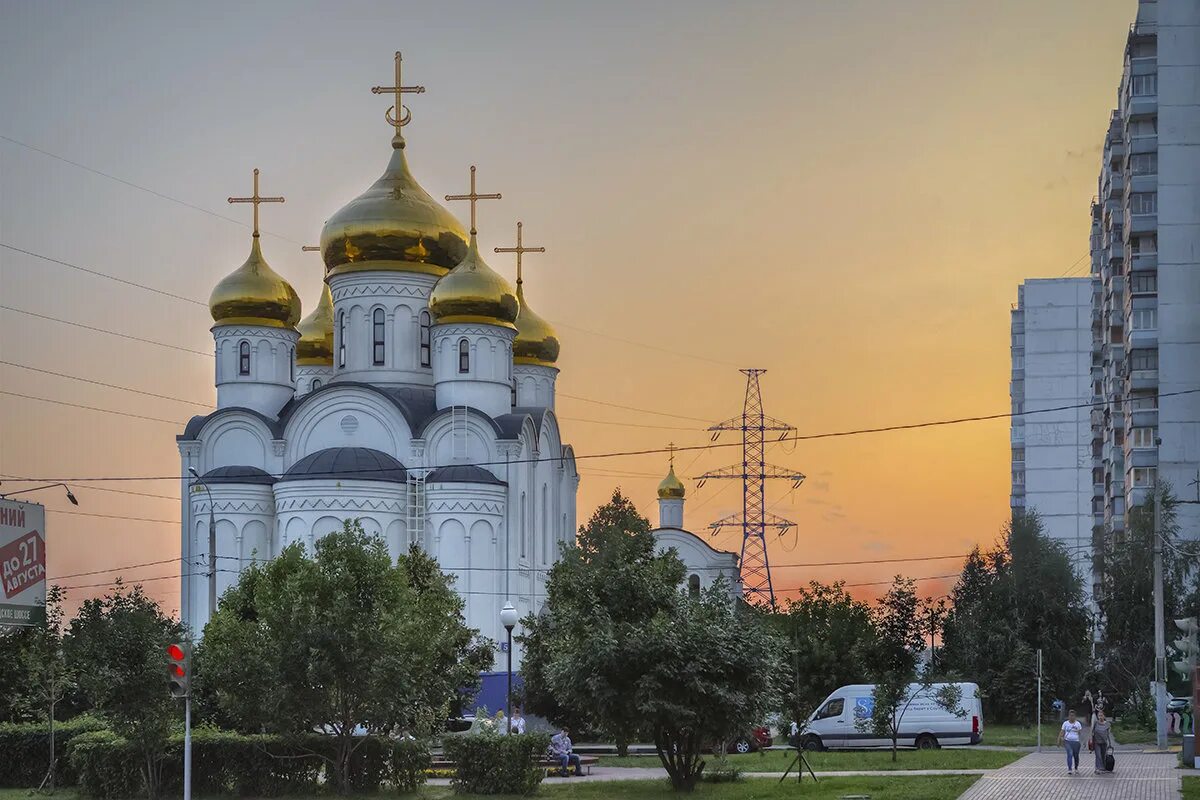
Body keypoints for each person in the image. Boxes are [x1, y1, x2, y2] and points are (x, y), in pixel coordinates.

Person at [1057, 709, 1083, 775]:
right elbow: (1062, 732)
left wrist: (1077, 730)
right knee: (1070, 754)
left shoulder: (1078, 724)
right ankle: (1069, 769)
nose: (1071, 717)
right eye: (1070, 715)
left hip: (1076, 742)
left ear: (1075, 716)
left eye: (1073, 715)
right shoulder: (1065, 723)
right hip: (1067, 741)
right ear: (1068, 716)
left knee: (1076, 755)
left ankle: (1076, 768)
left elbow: (1080, 733)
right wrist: (1059, 739)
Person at [1091, 709, 1114, 774]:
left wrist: (1109, 743)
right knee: (1098, 755)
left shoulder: (1107, 724)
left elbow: (1108, 734)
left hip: (1104, 742)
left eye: (1101, 715)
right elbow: (1092, 731)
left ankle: (1103, 768)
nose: (1100, 717)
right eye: (1099, 715)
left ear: (1104, 716)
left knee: (1103, 755)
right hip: (1097, 742)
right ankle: (1098, 768)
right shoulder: (1096, 723)